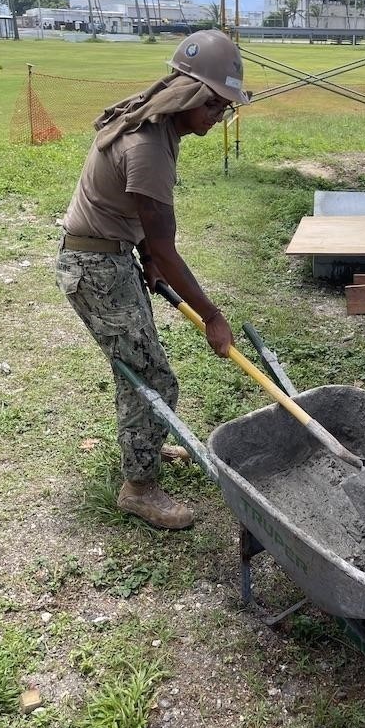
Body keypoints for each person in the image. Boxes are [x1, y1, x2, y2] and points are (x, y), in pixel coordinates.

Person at [55, 30, 250, 530]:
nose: (218, 117)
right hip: (97, 268)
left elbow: (141, 226)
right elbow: (164, 242)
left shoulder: (159, 126)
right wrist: (213, 316)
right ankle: (139, 489)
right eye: (216, 107)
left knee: (142, 368)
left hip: (112, 257)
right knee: (150, 377)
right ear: (193, 96)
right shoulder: (149, 145)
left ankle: (146, 441)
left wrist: (148, 256)